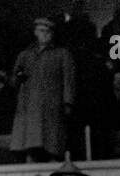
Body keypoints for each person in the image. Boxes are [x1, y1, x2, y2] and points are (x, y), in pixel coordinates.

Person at [9, 17, 76, 161]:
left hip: (51, 106)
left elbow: (68, 79)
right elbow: (14, 80)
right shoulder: (25, 55)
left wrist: (68, 102)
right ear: (35, 32)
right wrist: (18, 77)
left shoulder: (62, 54)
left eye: (48, 31)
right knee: (29, 145)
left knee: (52, 145)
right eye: (41, 31)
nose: (45, 34)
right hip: (29, 107)